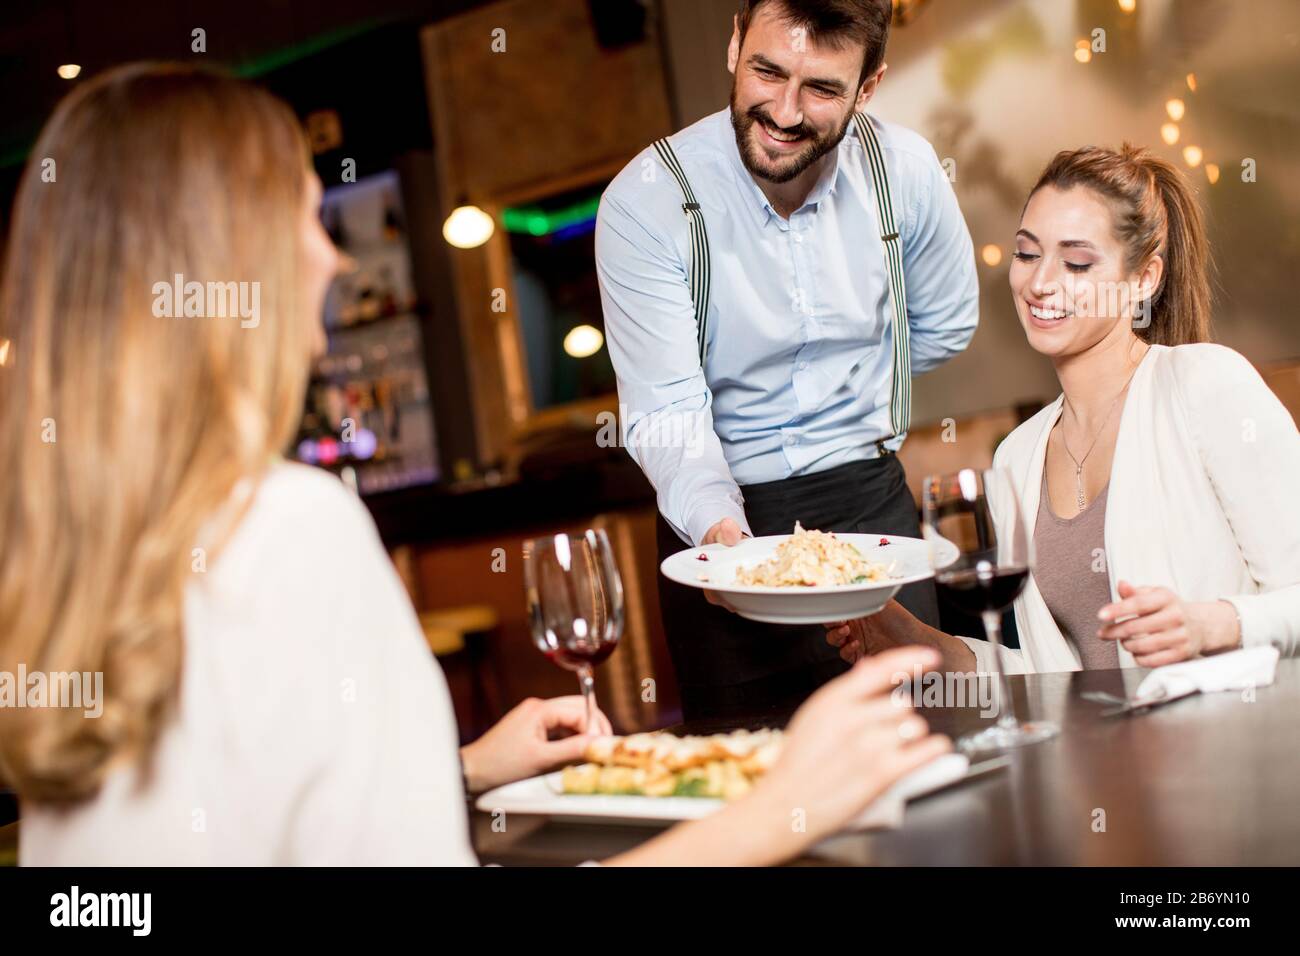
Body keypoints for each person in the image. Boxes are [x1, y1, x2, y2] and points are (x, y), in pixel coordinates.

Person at [0, 63, 952, 866]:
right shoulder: (285, 524)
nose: (333, 261)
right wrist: (781, 806)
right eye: (303, 218)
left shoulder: (88, 536)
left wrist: (452, 771)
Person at [595, 0, 978, 720]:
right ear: (735, 42)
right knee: (756, 793)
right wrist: (732, 550)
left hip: (873, 511)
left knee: (927, 769)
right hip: (721, 519)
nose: (785, 111)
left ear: (869, 87)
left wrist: (851, 390)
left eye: (823, 89)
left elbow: (945, 326)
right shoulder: (646, 202)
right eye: (767, 71)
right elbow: (669, 413)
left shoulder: (908, 171)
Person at [826, 144, 1300, 673]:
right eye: (1028, 254)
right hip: (1095, 754)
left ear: (1144, 279)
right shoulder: (1018, 456)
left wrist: (1214, 624)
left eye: (1076, 262)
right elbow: (1052, 675)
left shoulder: (1205, 384)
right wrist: (909, 637)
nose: (1040, 282)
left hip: (1229, 746)